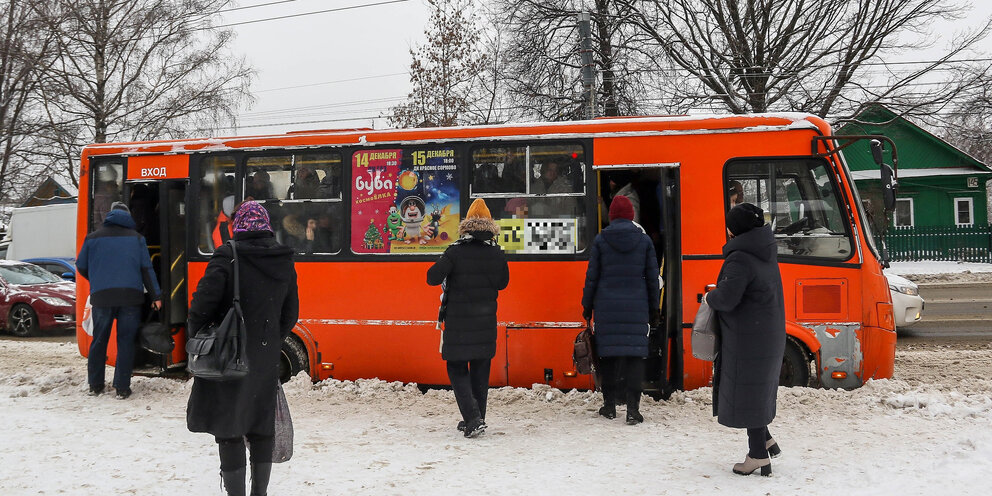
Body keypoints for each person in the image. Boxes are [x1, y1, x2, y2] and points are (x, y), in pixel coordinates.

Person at [186, 201, 300, 495]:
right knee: (261, 428)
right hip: (264, 358)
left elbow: (200, 307)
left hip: (229, 356)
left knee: (229, 429)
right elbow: (290, 314)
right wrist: (269, 341)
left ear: (238, 226)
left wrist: (203, 338)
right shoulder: (283, 260)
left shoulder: (228, 256)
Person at [703, 202, 785, 477]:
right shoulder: (764, 250)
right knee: (756, 391)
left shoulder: (740, 258)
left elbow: (727, 298)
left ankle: (757, 455)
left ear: (733, 230)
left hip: (748, 337)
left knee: (749, 392)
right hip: (765, 333)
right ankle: (766, 441)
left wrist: (710, 296)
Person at [427, 198, 509, 438]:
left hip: (459, 325)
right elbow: (502, 283)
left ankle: (472, 418)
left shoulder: (455, 251)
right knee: (480, 371)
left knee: (456, 367)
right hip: (485, 323)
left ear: (467, 225)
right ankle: (477, 418)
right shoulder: (496, 253)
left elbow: (432, 277)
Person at [581, 195, 660, 425]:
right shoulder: (644, 241)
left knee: (608, 356)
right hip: (637, 307)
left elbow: (592, 278)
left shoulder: (601, 240)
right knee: (635, 357)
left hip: (607, 308)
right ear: (631, 216)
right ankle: (633, 410)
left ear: (612, 216)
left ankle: (609, 406)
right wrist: (654, 309)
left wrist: (587, 306)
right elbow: (652, 279)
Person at [77, 202, 162, 400]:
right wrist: (156, 296)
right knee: (125, 342)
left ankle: (95, 385)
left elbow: (81, 266)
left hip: (102, 297)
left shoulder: (92, 238)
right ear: (127, 216)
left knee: (99, 340)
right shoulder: (137, 239)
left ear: (110, 215)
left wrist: (97, 281)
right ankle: (122, 388)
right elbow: (146, 269)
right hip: (130, 298)